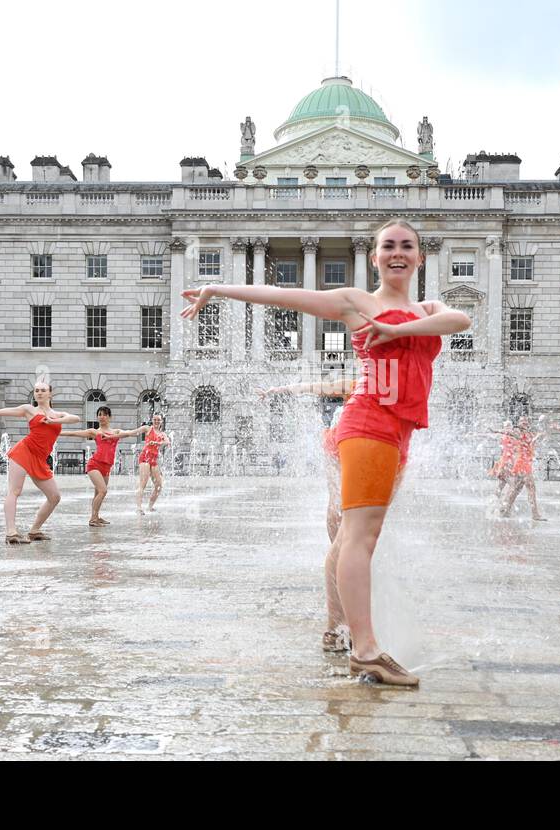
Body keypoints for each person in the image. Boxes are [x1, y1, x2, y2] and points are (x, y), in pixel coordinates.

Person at [181, 219, 470, 686]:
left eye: (407, 246)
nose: (398, 253)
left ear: (419, 256)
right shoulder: (358, 301)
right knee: (359, 536)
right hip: (368, 423)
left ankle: (338, 628)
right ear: (374, 256)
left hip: (400, 433)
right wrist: (217, 288)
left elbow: (460, 320)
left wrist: (396, 332)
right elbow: (285, 296)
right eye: (388, 247)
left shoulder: (428, 307)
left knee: (353, 536)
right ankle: (367, 649)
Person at [259, 377, 361, 652]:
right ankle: (340, 627)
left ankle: (343, 624)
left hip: (352, 454)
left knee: (345, 551)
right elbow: (311, 387)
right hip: (343, 454)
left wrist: (277, 389)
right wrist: (277, 389)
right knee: (342, 533)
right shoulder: (360, 385)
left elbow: (310, 387)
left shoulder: (365, 385)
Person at [0, 381, 82, 544]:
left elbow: (75, 418)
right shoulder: (29, 410)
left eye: (43, 390)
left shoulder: (58, 414)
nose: (39, 393)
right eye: (37, 390)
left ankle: (35, 530)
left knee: (55, 497)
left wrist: (52, 421)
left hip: (40, 459)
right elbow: (1, 411)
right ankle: (11, 532)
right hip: (24, 451)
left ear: (50, 394)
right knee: (14, 491)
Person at [63, 406, 141, 527]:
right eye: (99, 414)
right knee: (103, 491)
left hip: (106, 466)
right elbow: (73, 433)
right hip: (94, 464)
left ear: (109, 417)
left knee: (97, 493)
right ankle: (93, 519)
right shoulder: (95, 432)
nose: (102, 417)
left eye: (104, 414)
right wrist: (55, 432)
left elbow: (130, 433)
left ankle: (96, 516)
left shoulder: (116, 432)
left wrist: (144, 428)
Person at [500, 417, 546, 520]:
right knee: (531, 487)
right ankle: (535, 514)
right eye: (522, 421)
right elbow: (509, 433)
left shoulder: (530, 434)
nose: (524, 422)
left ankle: (505, 508)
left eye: (526, 421)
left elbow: (537, 441)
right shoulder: (518, 433)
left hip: (526, 462)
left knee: (516, 489)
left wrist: (541, 435)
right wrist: (497, 431)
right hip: (522, 462)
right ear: (519, 423)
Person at [132, 413, 171, 515]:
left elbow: (167, 442)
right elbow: (134, 432)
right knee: (143, 484)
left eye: (158, 420)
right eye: (155, 420)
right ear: (152, 420)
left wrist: (158, 443)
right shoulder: (148, 429)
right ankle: (139, 508)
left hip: (154, 459)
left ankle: (150, 506)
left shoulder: (163, 434)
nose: (156, 421)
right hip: (145, 456)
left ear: (161, 421)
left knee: (159, 485)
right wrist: (119, 434)